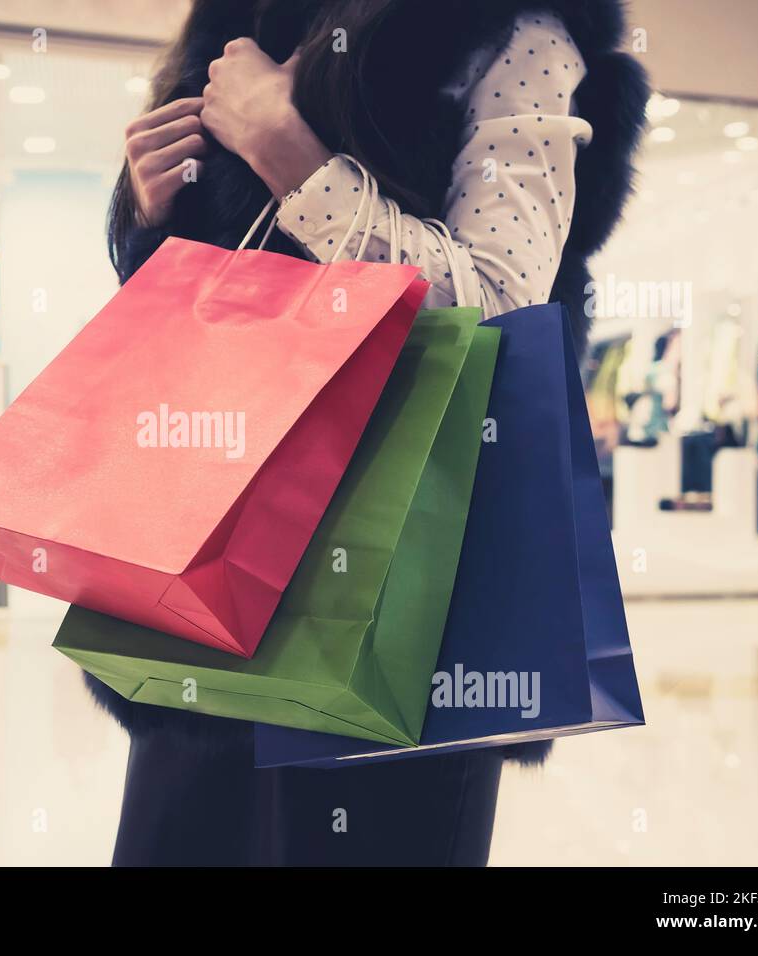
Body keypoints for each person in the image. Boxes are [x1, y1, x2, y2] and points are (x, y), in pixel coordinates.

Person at [98, 0, 648, 865]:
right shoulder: (247, 26)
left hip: (405, 582)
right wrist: (151, 208)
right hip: (218, 563)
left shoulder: (516, 37)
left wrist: (291, 156)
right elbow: (207, 309)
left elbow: (501, 305)